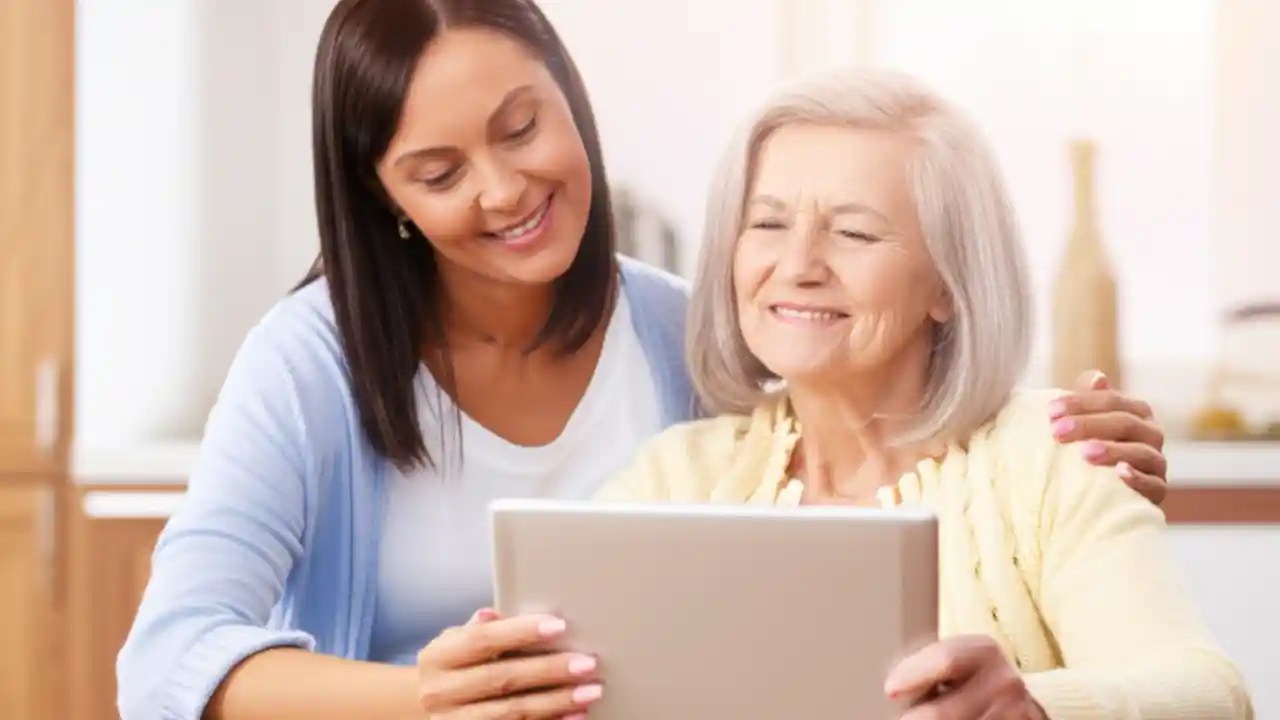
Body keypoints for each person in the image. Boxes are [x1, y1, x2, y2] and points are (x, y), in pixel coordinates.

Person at [116, 2, 1175, 719]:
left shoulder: (678, 330)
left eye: (522, 126)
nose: (501, 189)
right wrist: (429, 699)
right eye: (438, 171)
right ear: (384, 200)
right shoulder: (310, 364)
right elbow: (164, 660)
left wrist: (1050, 444)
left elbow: (862, 377)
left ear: (573, 100)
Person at [595, 68, 1253, 719]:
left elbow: (1209, 695)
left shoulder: (1050, 459)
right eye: (768, 224)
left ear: (947, 281)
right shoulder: (674, 476)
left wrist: (1037, 708)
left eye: (853, 232)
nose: (797, 266)